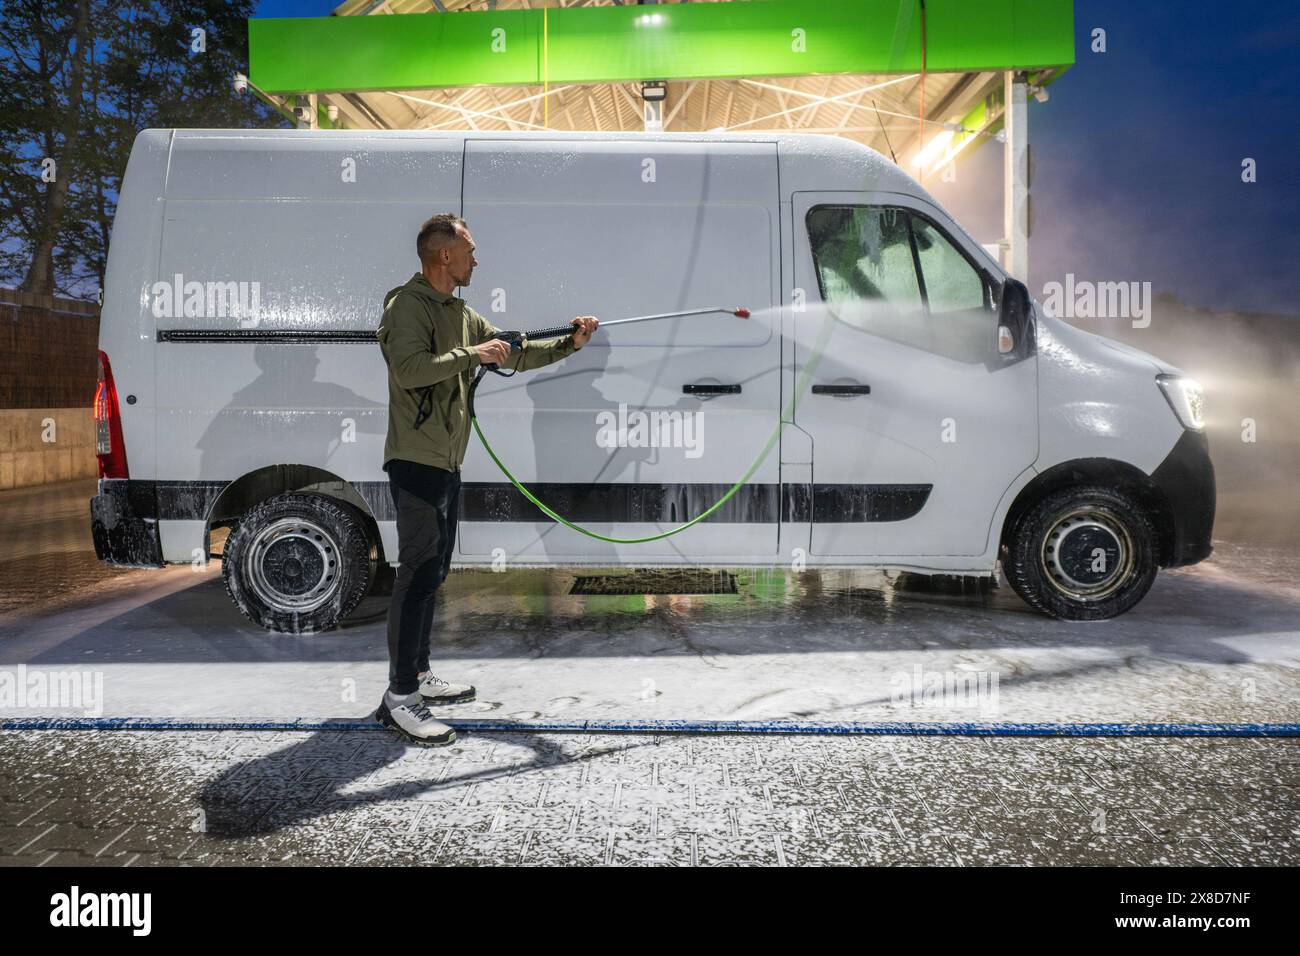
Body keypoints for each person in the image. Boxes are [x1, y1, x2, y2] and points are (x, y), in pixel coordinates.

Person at [375, 213, 598, 745]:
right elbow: (408, 369)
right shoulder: (407, 306)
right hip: (414, 460)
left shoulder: (460, 311)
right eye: (469, 250)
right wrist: (472, 354)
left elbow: (512, 354)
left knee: (433, 573)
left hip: (447, 462)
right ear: (443, 255)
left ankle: (420, 675)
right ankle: (399, 698)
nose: (477, 258)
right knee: (416, 573)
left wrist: (571, 342)